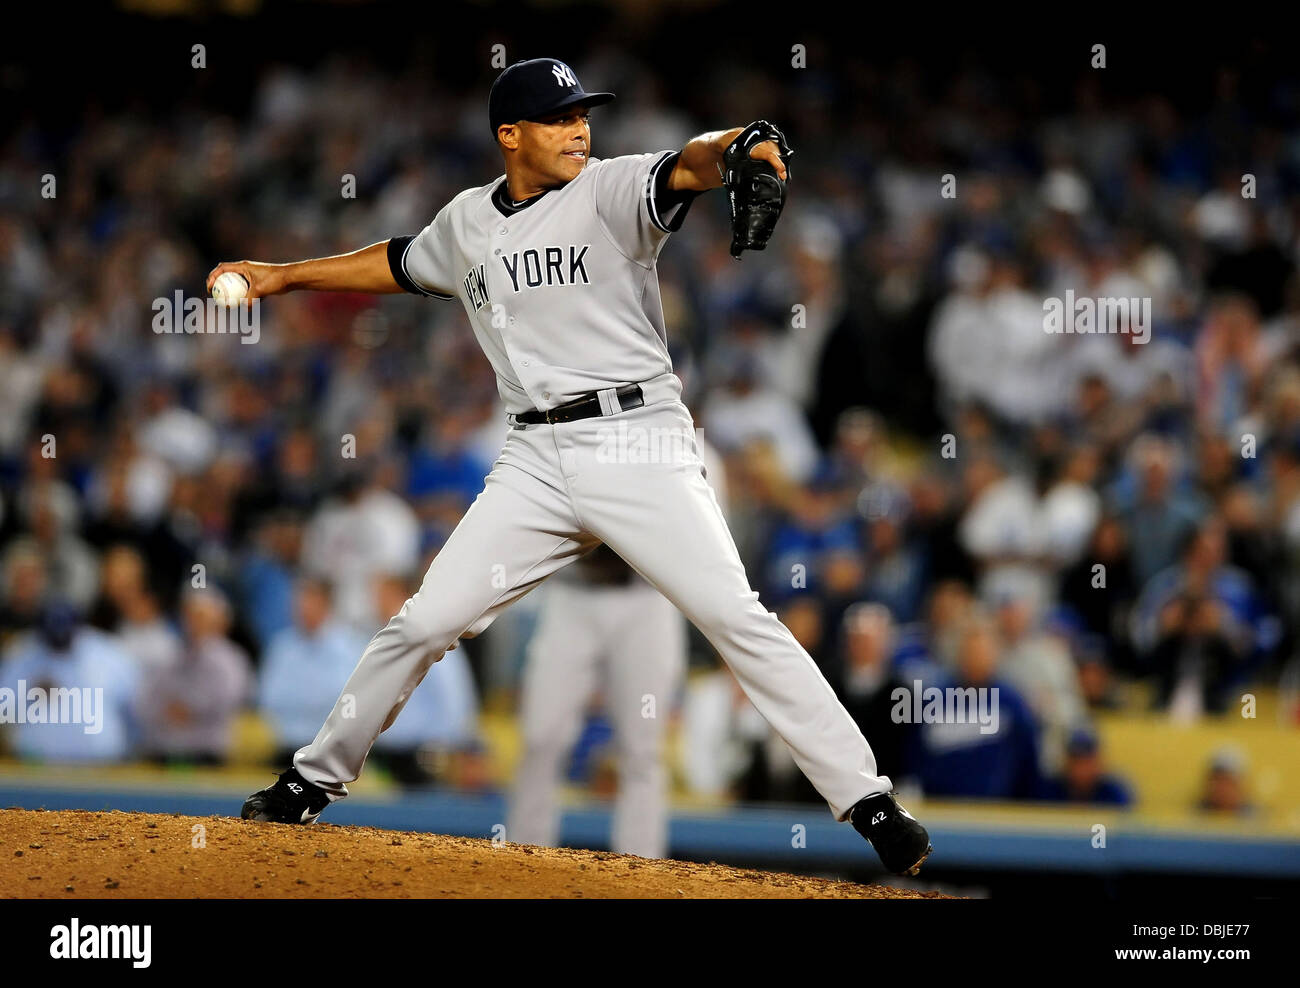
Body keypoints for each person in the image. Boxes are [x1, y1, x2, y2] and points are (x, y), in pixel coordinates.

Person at [224, 58, 929, 875]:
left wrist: (743, 144)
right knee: (422, 622)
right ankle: (311, 781)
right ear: (509, 136)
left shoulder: (610, 190)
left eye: (582, 115)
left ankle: (869, 800)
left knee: (737, 616)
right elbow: (398, 259)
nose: (580, 129)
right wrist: (284, 276)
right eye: (560, 118)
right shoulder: (466, 224)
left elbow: (690, 163)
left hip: (640, 440)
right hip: (535, 457)